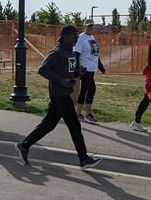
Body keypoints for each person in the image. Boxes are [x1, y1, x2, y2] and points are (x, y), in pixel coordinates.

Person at [15, 26, 101, 169]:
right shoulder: (57, 52)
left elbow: (70, 73)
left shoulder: (71, 53)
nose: (76, 39)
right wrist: (60, 80)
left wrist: (78, 72)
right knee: (74, 124)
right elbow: (42, 70)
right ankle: (84, 159)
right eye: (74, 36)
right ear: (65, 36)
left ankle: (24, 145)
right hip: (59, 94)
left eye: (77, 37)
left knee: (49, 124)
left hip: (64, 93)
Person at [74, 19, 106, 123]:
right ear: (84, 27)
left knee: (89, 90)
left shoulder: (92, 37)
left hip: (92, 69)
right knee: (88, 89)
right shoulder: (81, 38)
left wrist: (101, 67)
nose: (90, 28)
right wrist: (78, 68)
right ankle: (83, 114)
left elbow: (95, 54)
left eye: (92, 26)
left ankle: (81, 113)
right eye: (88, 26)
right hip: (85, 69)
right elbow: (76, 54)